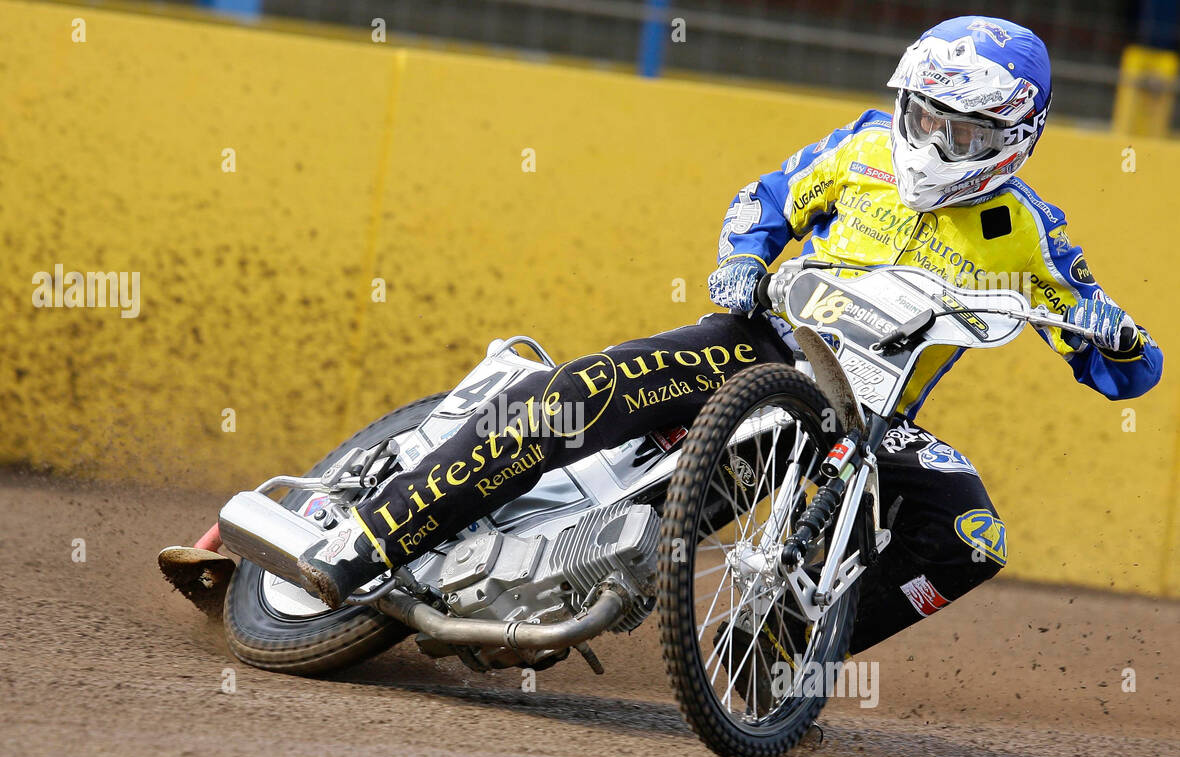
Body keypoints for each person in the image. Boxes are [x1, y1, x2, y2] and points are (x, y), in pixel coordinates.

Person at [298, 16, 1162, 654]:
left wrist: (1113, 337)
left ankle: (779, 660)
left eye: (963, 130)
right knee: (579, 395)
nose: (935, 139)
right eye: (924, 114)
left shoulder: (1030, 235)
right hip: (762, 343)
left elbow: (1126, 371)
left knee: (972, 534)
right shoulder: (861, 147)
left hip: (866, 414)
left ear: (1016, 138)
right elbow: (764, 201)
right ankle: (364, 540)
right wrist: (741, 261)